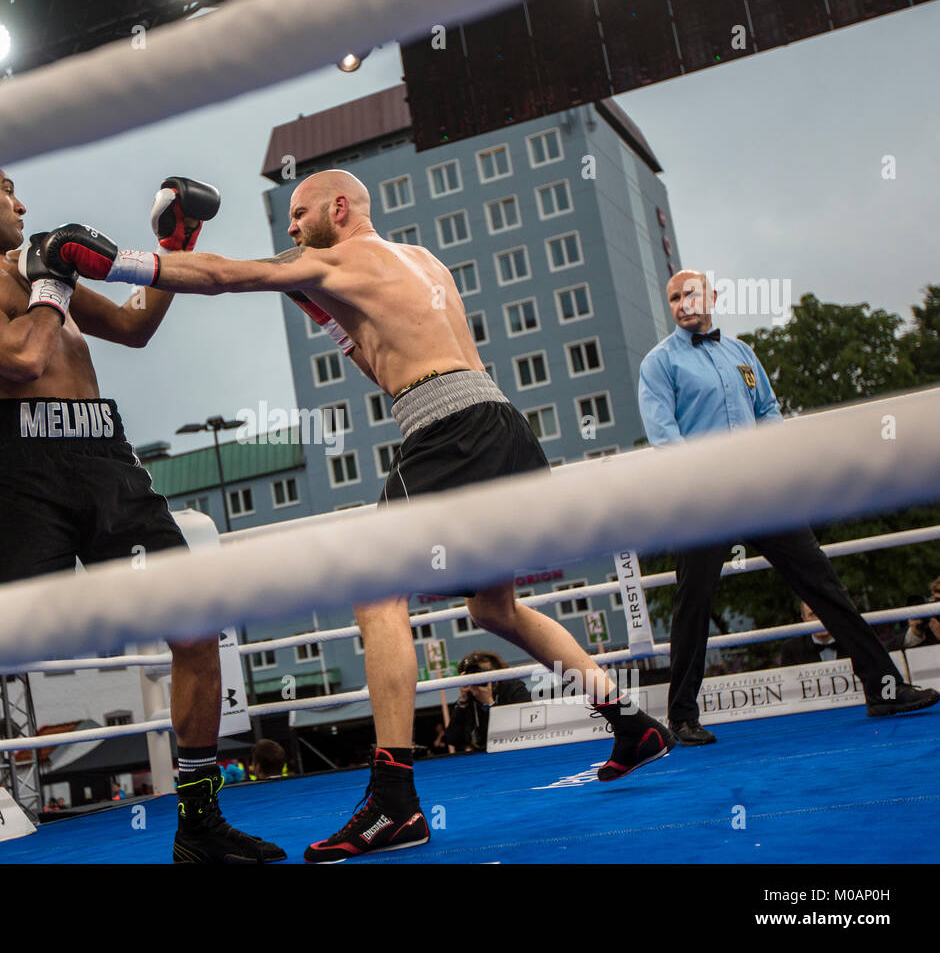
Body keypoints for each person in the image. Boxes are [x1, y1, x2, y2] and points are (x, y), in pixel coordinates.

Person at [57, 169, 675, 862]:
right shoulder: (420, 260)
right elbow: (387, 354)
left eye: (298, 214)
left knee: (376, 590)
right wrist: (331, 320)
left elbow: (225, 275)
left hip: (448, 433)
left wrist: (120, 264)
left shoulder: (340, 257)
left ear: (339, 208)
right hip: (503, 426)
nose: (291, 229)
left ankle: (395, 801)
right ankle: (629, 722)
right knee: (495, 608)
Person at [0, 170, 283, 865]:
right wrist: (53, 283)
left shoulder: (35, 266)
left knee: (198, 628)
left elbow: (136, 325)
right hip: (27, 472)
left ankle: (199, 824)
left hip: (106, 459)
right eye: (7, 189)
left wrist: (173, 249)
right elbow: (22, 359)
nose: (22, 204)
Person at [637, 270, 938, 744]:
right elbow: (665, 438)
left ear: (711, 297)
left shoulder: (741, 354)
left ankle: (884, 688)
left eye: (690, 294)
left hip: (763, 491)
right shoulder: (658, 364)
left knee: (822, 584)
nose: (682, 304)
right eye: (674, 298)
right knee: (692, 604)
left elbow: (768, 412)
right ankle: (681, 717)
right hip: (705, 499)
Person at [444, 651, 531, 752]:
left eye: (485, 673)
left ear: (498, 671)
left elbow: (523, 727)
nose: (480, 679)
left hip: (515, 750)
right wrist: (463, 701)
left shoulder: (513, 688)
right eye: (474, 676)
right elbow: (453, 739)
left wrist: (489, 704)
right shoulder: (470, 696)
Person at [779, 603, 850, 667]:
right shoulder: (792, 649)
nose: (819, 619)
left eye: (825, 612)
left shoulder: (853, 641)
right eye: (813, 615)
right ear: (804, 619)